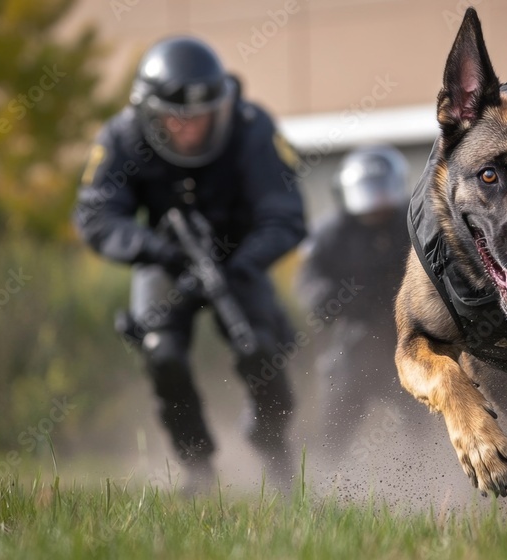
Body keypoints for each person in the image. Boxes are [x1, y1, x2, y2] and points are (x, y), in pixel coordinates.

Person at [73, 36, 305, 489]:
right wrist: (156, 251)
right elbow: (96, 215)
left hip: (239, 259)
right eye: (176, 120)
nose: (189, 129)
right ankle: (197, 466)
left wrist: (245, 264)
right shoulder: (121, 135)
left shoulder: (252, 128)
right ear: (149, 112)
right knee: (162, 352)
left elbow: (285, 216)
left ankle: (273, 444)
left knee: (260, 347)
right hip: (165, 257)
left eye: (201, 118)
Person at [295, 145, 412, 461]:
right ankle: (326, 469)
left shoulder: (413, 225)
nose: (375, 204)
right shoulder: (330, 233)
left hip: (406, 336)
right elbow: (309, 281)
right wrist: (328, 299)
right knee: (340, 405)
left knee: (419, 407)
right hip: (355, 339)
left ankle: (424, 464)